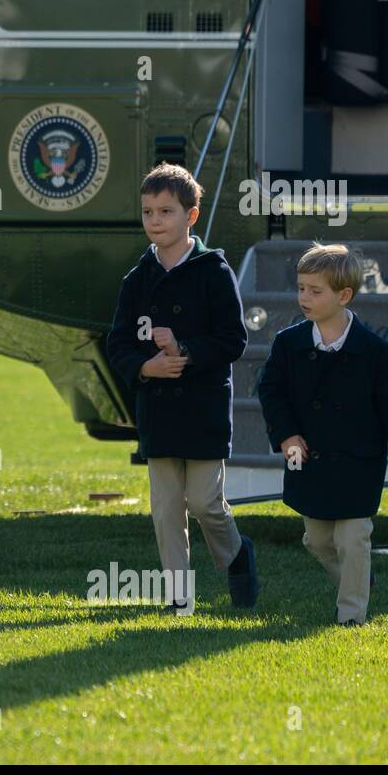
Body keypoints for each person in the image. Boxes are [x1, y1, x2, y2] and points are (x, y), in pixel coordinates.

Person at [106, 163, 258, 611]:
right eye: (148, 211)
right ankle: (178, 597)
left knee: (206, 501)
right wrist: (146, 368)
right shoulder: (136, 281)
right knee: (166, 508)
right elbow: (117, 342)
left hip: (204, 407)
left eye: (166, 211)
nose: (155, 220)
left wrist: (186, 350)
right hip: (157, 408)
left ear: (191, 216)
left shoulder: (214, 271)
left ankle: (236, 554)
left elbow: (234, 339)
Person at [257, 244, 388, 627]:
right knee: (316, 540)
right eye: (301, 288)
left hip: (357, 464)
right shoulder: (289, 343)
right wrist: (287, 436)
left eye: (315, 291)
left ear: (343, 295)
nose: (304, 298)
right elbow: (270, 391)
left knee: (352, 538)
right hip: (310, 463)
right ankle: (359, 580)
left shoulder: (374, 351)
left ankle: (351, 616)